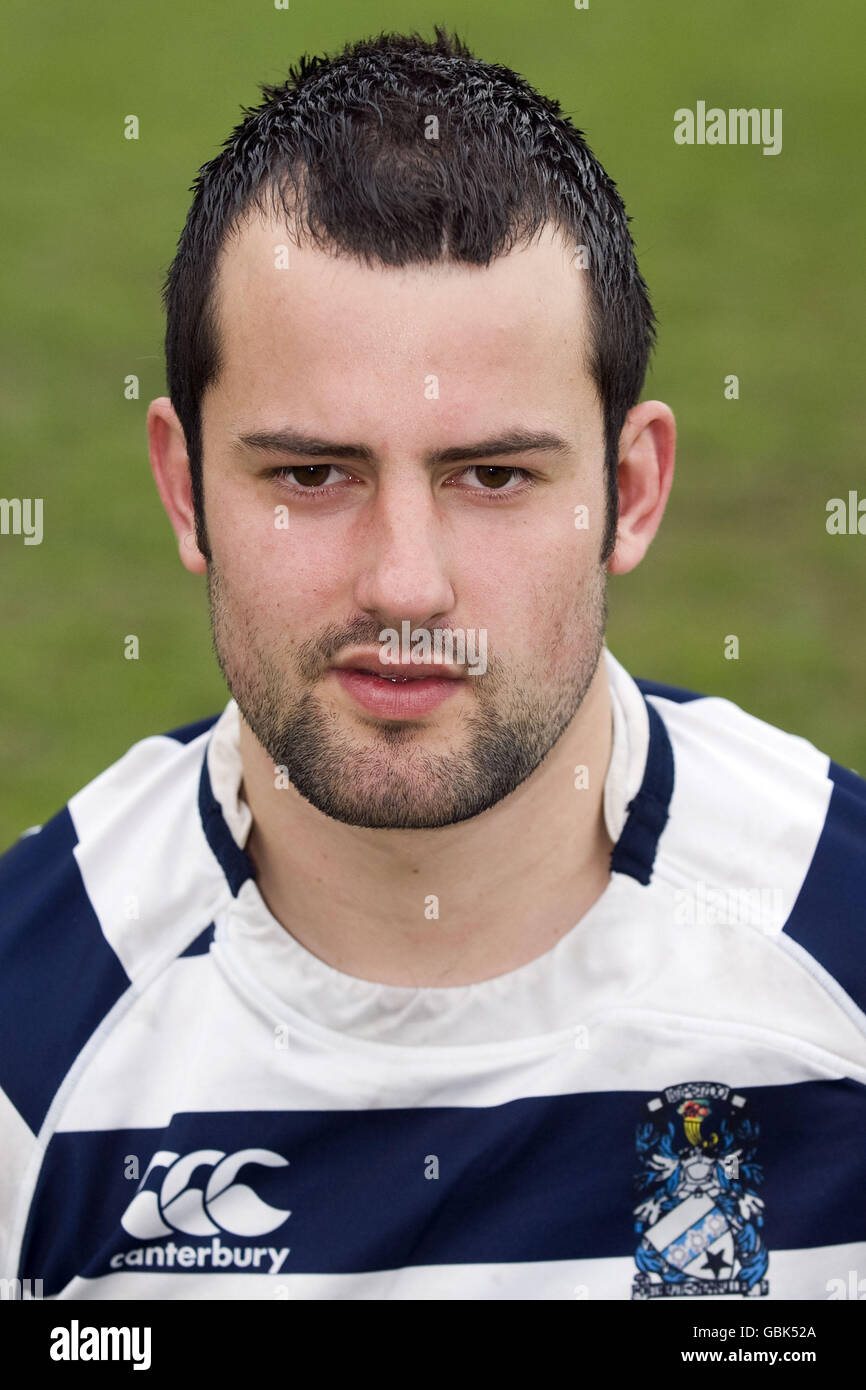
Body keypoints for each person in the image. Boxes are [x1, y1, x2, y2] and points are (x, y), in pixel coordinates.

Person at [1, 27, 863, 1302]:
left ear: (630, 491)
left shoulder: (839, 955)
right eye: (311, 473)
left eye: (492, 476)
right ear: (184, 490)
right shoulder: (25, 1038)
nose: (404, 586)